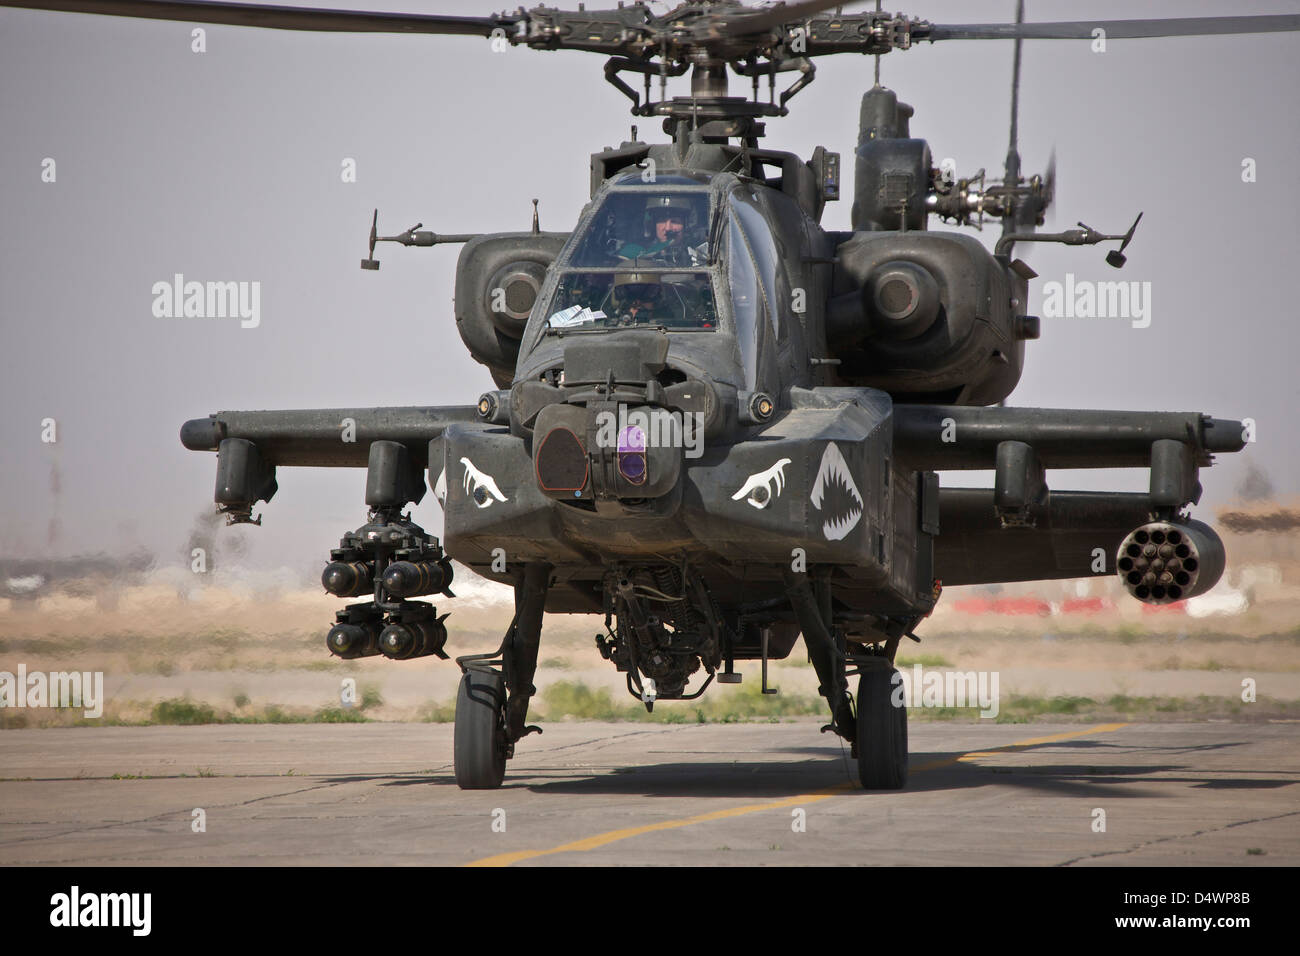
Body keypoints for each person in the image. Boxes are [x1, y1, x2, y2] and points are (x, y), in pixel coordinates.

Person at [617, 196, 706, 265]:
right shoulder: (636, 253)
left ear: (686, 226)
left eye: (675, 221)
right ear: (653, 225)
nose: (668, 228)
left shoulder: (700, 255)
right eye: (662, 221)